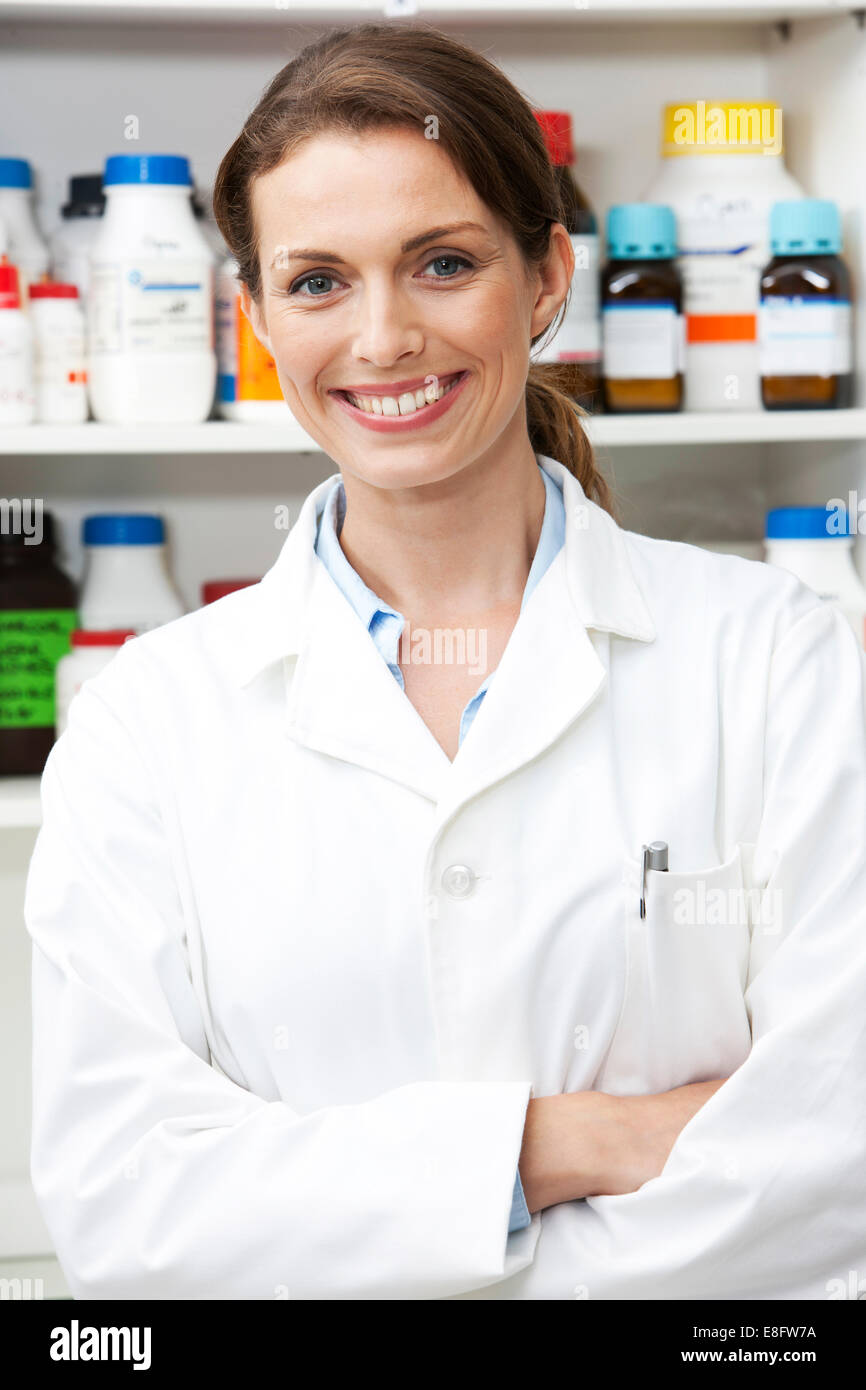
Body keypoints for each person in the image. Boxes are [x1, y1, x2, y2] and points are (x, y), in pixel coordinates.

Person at [26, 23, 866, 1301]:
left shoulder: (772, 661)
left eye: (441, 263)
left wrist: (372, 1222)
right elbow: (129, 1212)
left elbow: (832, 1147)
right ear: (253, 316)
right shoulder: (146, 721)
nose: (382, 338)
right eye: (316, 282)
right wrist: (551, 1144)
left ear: (543, 281)